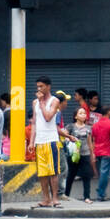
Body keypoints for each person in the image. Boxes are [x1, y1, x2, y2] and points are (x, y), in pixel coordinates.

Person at [30, 77, 61, 208]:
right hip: (39, 141)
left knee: (53, 171)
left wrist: (42, 102)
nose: (39, 89)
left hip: (51, 139)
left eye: (41, 86)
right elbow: (34, 123)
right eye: (38, 86)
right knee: (42, 172)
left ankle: (55, 198)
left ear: (48, 86)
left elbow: (48, 117)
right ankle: (46, 198)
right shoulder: (34, 102)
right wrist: (31, 141)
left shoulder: (54, 101)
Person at [63, 106, 95, 203]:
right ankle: (66, 195)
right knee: (71, 175)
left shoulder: (88, 128)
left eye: (84, 113)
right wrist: (69, 139)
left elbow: (90, 142)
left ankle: (87, 197)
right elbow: (65, 136)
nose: (83, 115)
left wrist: (92, 154)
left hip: (85, 154)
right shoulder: (71, 126)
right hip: (73, 155)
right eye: (80, 113)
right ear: (76, 116)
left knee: (87, 175)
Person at [91, 105, 110, 201]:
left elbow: (93, 140)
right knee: (105, 174)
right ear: (108, 112)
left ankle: (101, 191)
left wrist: (93, 153)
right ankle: (101, 193)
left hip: (97, 151)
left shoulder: (95, 125)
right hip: (106, 152)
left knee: (102, 173)